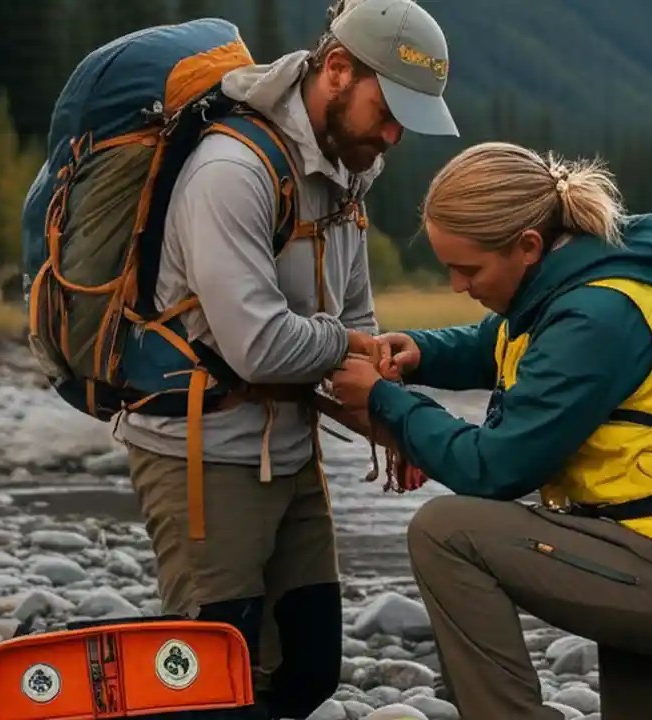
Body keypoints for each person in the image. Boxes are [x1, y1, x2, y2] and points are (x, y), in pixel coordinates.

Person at [328, 141, 652, 720]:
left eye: (469, 269)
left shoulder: (594, 319)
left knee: (447, 531)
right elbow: (495, 343)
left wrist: (385, 401)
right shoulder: (577, 284)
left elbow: (494, 469)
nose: (458, 285)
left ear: (528, 246)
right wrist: (417, 353)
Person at [111, 2, 457, 718]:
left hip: (290, 452)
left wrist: (392, 416)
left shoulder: (348, 172)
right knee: (208, 684)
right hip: (201, 454)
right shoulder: (230, 172)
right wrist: (351, 348)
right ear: (336, 70)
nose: (394, 133)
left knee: (307, 669)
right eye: (387, 108)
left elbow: (357, 320)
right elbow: (260, 344)